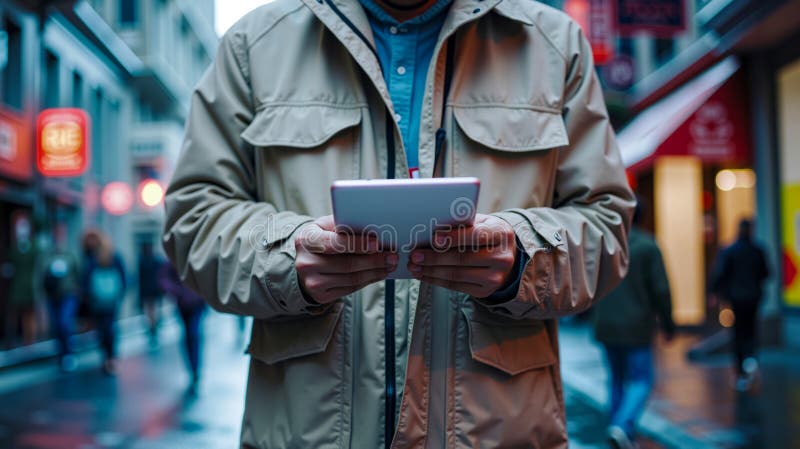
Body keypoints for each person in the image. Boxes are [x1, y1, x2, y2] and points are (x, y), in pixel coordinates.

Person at [162, 0, 635, 446]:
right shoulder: (254, 45)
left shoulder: (553, 46)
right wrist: (287, 258)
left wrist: (522, 260)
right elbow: (194, 221)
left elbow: (606, 227)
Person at [593, 200, 674, 449]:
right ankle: (623, 425)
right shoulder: (648, 246)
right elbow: (661, 290)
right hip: (636, 325)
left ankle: (617, 428)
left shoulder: (605, 244)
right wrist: (669, 323)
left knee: (616, 379)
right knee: (641, 379)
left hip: (605, 323)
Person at [710, 218, 769, 391]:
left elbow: (720, 274)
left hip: (736, 298)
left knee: (738, 333)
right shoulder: (757, 250)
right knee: (751, 330)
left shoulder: (730, 251)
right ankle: (751, 361)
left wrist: (716, 292)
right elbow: (766, 272)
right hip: (753, 297)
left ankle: (741, 371)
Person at [82, 230, 127, 375]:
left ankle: (109, 357)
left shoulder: (107, 257)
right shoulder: (93, 257)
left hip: (106, 299)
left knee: (106, 328)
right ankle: (109, 357)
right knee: (105, 328)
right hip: (103, 299)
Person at [159, 262, 207, 394]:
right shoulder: (174, 256)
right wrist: (177, 292)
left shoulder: (198, 253)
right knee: (188, 336)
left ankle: (196, 369)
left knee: (194, 334)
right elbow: (164, 279)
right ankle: (193, 369)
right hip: (183, 305)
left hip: (196, 304)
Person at [41, 226, 81, 371]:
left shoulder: (70, 254)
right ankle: (61, 353)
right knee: (56, 325)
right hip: (52, 296)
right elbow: (42, 275)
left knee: (65, 322)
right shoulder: (48, 255)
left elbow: (78, 273)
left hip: (68, 294)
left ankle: (69, 353)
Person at [137, 242, 164, 345]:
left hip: (148, 291)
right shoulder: (155, 260)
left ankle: (153, 327)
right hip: (153, 290)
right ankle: (153, 327)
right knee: (153, 311)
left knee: (150, 311)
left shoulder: (143, 261)